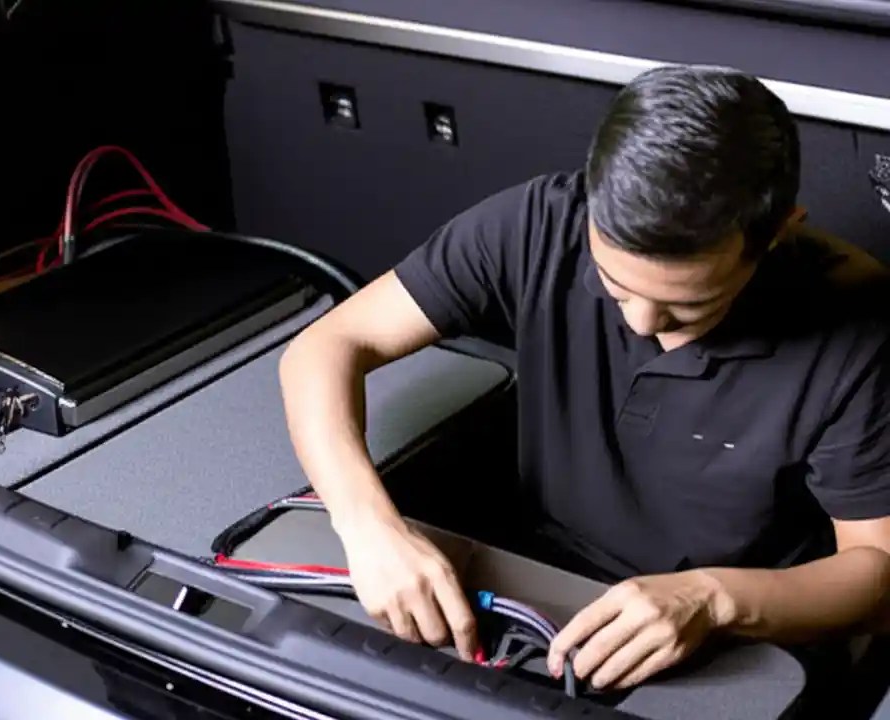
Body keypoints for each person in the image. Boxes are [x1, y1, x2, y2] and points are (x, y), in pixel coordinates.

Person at [278, 64, 890, 691]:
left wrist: (713, 600)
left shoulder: (858, 325)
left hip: (738, 638)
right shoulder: (539, 221)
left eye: (689, 306)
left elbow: (879, 573)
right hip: (543, 583)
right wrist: (368, 527)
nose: (642, 322)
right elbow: (327, 346)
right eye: (615, 285)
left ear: (779, 233)